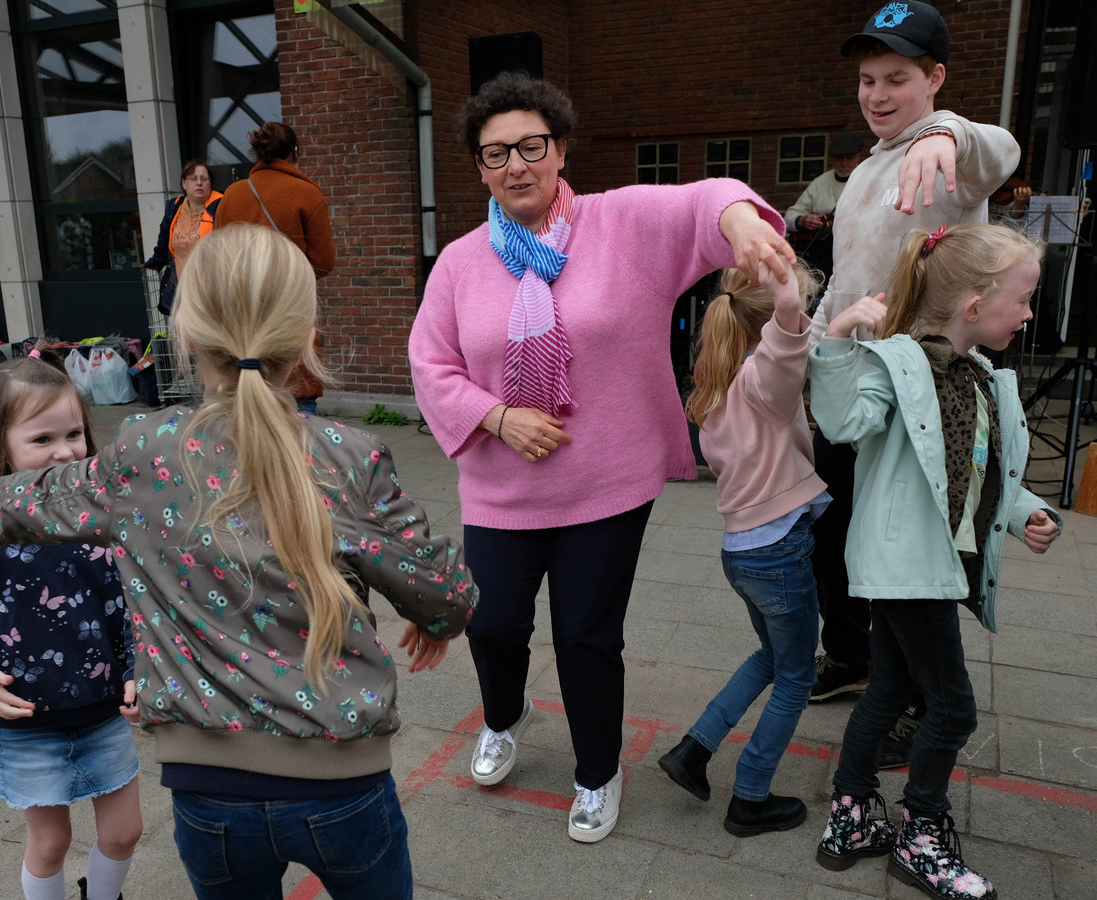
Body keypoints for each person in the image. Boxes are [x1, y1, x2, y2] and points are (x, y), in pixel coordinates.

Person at [0, 224, 475, 900]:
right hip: (345, 783)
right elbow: (443, 588)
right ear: (303, 337)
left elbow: (45, 497)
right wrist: (438, 621)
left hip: (209, 797)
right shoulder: (347, 452)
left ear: (184, 336)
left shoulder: (145, 448)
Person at [408, 72, 795, 844]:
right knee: (492, 625)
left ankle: (596, 773)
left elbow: (706, 198)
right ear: (478, 169)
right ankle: (504, 715)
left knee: (587, 636)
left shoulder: (620, 225)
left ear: (559, 149)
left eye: (530, 146)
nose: (515, 165)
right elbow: (431, 363)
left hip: (606, 486)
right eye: (494, 154)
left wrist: (744, 224)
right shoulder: (458, 262)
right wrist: (497, 415)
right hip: (500, 490)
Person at [810, 223, 1059, 900]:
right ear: (975, 305)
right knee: (952, 710)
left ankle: (853, 815)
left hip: (928, 563)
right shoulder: (897, 364)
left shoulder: (980, 377)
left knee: (889, 689)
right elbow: (841, 423)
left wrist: (1024, 511)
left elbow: (979, 472)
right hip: (906, 566)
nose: (1031, 313)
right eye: (1025, 298)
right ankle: (922, 837)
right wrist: (835, 342)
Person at [806, 2, 1020, 755]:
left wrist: (943, 131)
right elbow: (844, 282)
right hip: (854, 383)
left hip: (922, 395)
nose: (876, 94)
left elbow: (1003, 146)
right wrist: (805, 353)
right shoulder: (864, 169)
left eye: (896, 78)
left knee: (911, 558)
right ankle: (856, 658)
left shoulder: (948, 150)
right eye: (867, 79)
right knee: (832, 532)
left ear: (934, 79)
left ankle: (925, 703)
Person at [0, 354, 141, 900]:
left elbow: (137, 600)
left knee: (125, 830)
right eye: (42, 439)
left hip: (105, 710)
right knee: (50, 843)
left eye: (74, 433)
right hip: (28, 720)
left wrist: (142, 667)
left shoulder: (103, 518)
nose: (65, 451)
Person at [657, 261, 826, 837]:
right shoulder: (760, 382)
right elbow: (787, 346)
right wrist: (788, 297)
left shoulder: (717, 390)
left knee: (770, 659)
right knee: (798, 676)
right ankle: (751, 794)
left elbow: (792, 344)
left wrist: (841, 318)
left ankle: (694, 749)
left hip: (743, 551)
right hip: (779, 549)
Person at [214, 122, 335, 414]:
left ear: (258, 152)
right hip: (289, 311)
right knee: (299, 404)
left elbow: (215, 259)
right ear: (295, 151)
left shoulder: (231, 195)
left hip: (240, 317)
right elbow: (323, 262)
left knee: (241, 410)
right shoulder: (307, 194)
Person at [784, 133, 865, 286]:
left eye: (849, 158)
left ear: (858, 156)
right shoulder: (820, 183)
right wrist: (802, 220)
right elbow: (790, 215)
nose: (844, 163)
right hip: (823, 257)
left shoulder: (867, 180)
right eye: (839, 158)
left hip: (857, 252)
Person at [144, 159, 224, 314]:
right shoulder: (174, 208)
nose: (199, 183)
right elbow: (164, 239)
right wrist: (156, 261)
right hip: (181, 289)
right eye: (193, 179)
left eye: (204, 179)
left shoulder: (221, 206)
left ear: (210, 183)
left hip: (213, 290)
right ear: (184, 183)